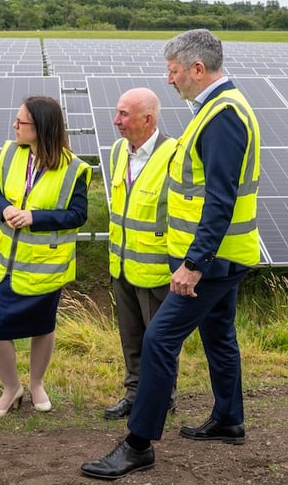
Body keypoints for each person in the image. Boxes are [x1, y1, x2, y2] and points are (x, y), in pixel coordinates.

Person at [81, 29, 261, 479]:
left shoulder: (222, 116)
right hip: (228, 255)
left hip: (212, 261)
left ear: (198, 70)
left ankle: (138, 444)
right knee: (219, 335)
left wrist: (194, 263)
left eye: (174, 71)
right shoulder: (223, 108)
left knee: (159, 340)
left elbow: (220, 199)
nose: (170, 80)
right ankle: (228, 419)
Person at [0, 95, 91, 417]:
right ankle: (10, 387)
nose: (14, 126)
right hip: (3, 263)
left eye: (21, 122)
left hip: (44, 267)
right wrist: (6, 210)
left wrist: (35, 217)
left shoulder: (75, 169)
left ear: (41, 128)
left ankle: (37, 384)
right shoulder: (9, 153)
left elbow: (77, 215)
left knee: (42, 327)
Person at [102, 88, 178, 421]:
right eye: (117, 113)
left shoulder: (175, 154)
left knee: (158, 343)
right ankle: (133, 395)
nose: (116, 121)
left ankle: (162, 399)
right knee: (131, 338)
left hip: (157, 268)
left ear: (147, 119)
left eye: (123, 114)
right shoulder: (119, 150)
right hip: (122, 264)